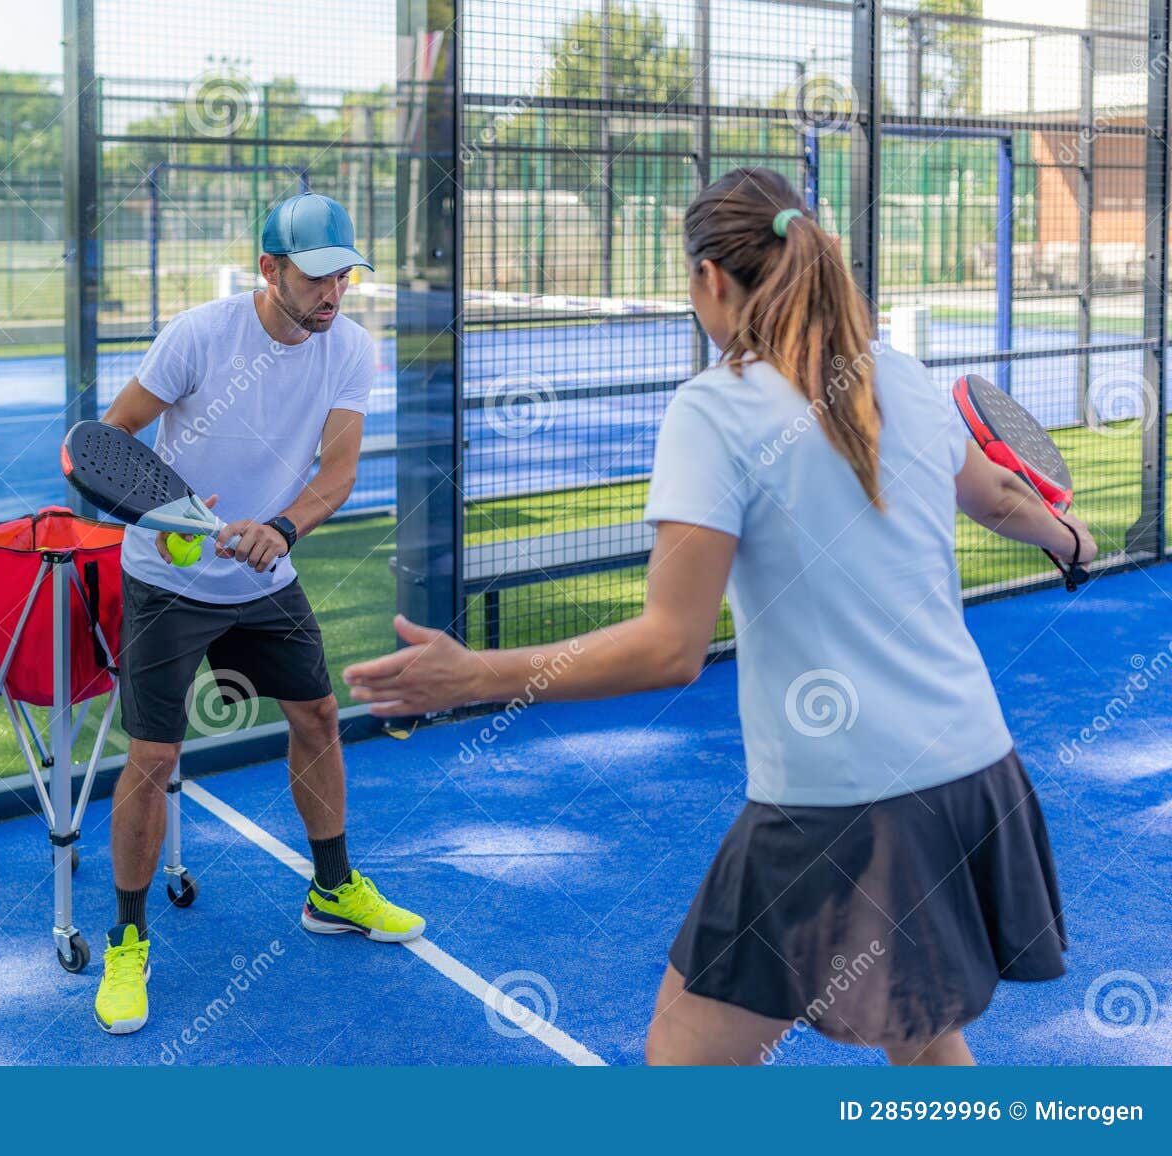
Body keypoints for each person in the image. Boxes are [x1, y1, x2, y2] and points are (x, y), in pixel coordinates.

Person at [344, 168, 1093, 1066]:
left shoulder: (716, 410)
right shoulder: (899, 375)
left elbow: (670, 649)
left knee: (685, 1061)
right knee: (926, 1038)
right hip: (972, 768)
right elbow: (1005, 498)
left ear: (709, 279)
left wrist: (476, 676)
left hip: (841, 803)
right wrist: (1073, 539)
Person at [93, 192, 425, 1036]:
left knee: (317, 715)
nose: (334, 294)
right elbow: (111, 441)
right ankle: (127, 941)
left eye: (344, 277)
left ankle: (332, 889)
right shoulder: (199, 335)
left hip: (264, 575)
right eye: (317, 278)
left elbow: (338, 471)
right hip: (166, 582)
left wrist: (280, 528)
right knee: (155, 753)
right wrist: (165, 514)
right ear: (269, 269)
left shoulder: (348, 347)